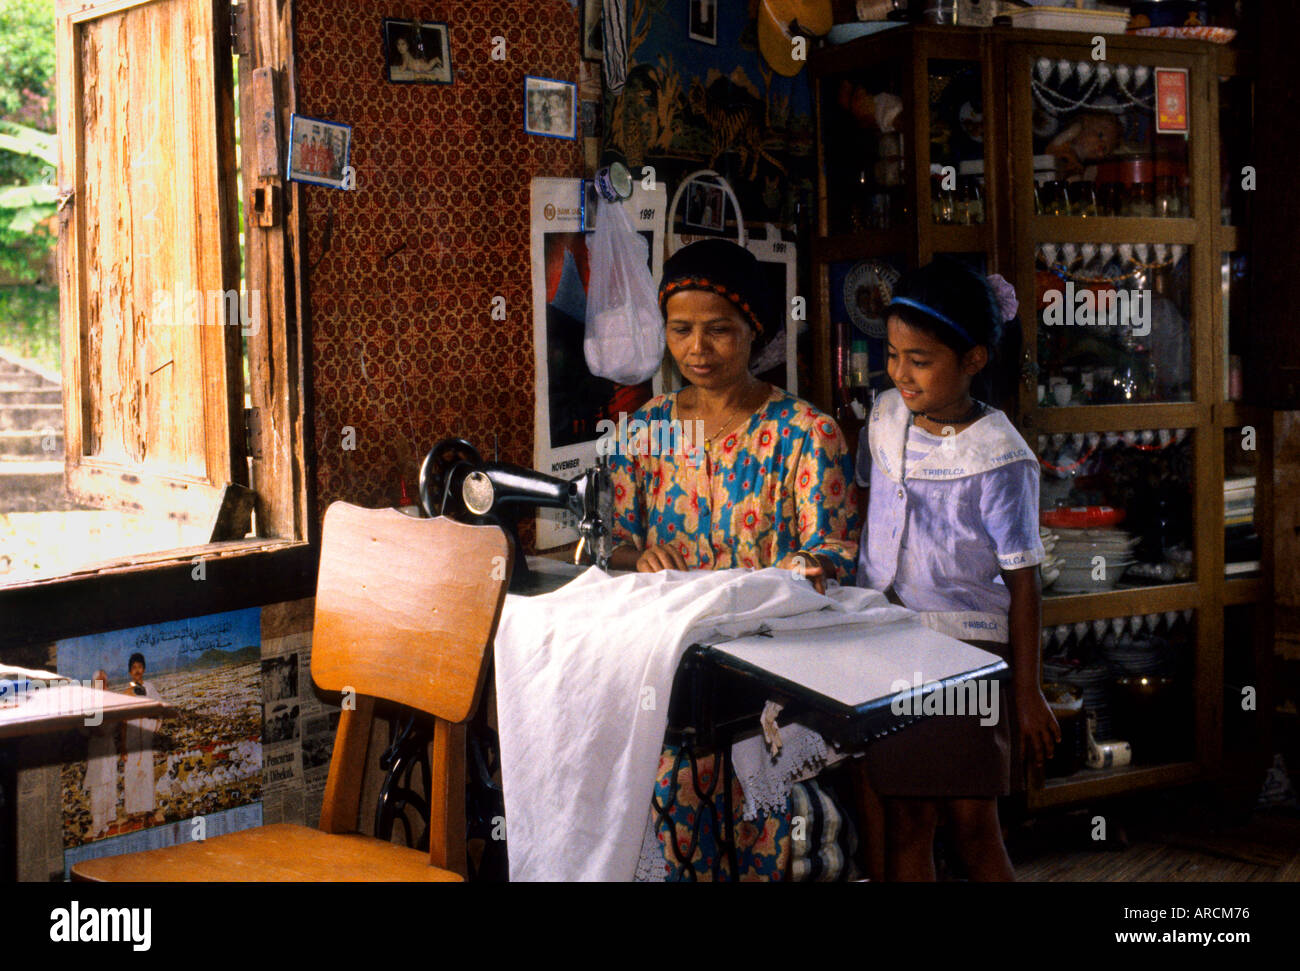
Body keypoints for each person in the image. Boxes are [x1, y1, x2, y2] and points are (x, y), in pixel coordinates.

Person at [607, 238, 858, 879]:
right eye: (681, 330)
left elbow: (833, 554)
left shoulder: (806, 432)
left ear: (755, 332)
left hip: (768, 678)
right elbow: (609, 539)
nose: (697, 349)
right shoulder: (644, 431)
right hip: (669, 672)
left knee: (730, 810)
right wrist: (637, 557)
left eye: (719, 330)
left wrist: (772, 582)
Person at [854, 258, 1059, 881]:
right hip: (887, 640)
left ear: (973, 359)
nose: (900, 373)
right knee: (906, 820)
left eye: (920, 359)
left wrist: (1026, 692)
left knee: (973, 823)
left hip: (968, 652)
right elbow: (872, 510)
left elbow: (1025, 582)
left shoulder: (1000, 456)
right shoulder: (885, 416)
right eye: (892, 354)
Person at [121, 652, 163, 824]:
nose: (137, 671)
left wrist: (154, 727)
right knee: (131, 775)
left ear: (144, 669)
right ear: (130, 672)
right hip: (131, 740)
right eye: (134, 668)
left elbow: (160, 709)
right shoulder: (126, 692)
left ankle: (147, 810)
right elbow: (122, 720)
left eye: (139, 667)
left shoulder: (151, 688)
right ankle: (132, 812)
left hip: (145, 739)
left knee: (146, 773)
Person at [84, 669, 118, 839]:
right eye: (99, 681)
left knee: (109, 783)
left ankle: (106, 822)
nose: (103, 685)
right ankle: (97, 825)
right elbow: (85, 727)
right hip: (97, 747)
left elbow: (116, 722)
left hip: (109, 746)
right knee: (98, 786)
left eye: (105, 681)